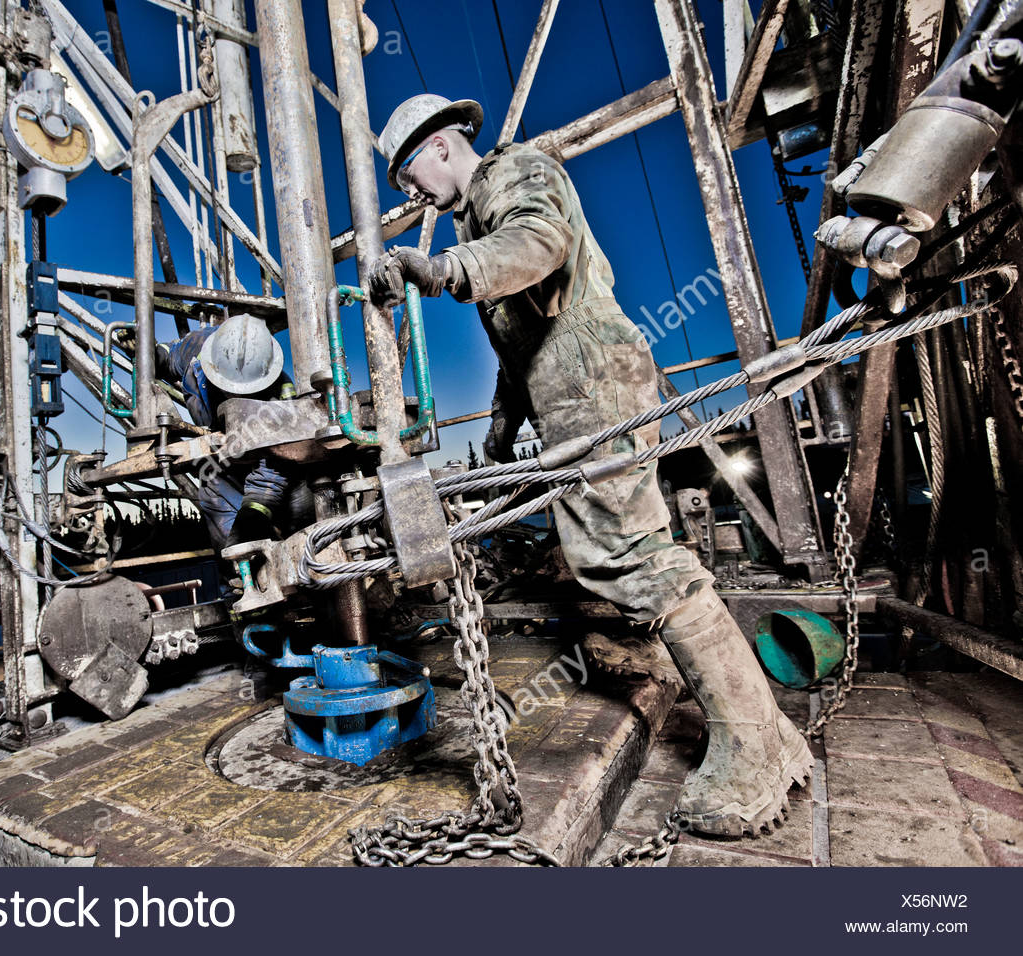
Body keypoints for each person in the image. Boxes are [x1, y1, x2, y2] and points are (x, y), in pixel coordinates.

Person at [368, 93, 811, 838]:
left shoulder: (514, 175)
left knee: (629, 556)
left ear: (441, 145)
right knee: (611, 554)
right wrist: (505, 426)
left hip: (593, 384)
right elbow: (524, 340)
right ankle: (764, 730)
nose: (409, 191)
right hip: (568, 389)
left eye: (408, 171)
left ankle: (755, 744)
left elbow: (540, 242)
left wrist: (444, 269)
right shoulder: (482, 212)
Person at [154, 312, 309, 553]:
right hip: (224, 464)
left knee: (299, 526)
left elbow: (277, 469)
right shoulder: (198, 347)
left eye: (248, 390)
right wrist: (154, 355)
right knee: (216, 502)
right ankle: (237, 582)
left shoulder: (281, 396)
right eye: (229, 386)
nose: (236, 395)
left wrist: (254, 513)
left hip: (272, 467)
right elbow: (171, 356)